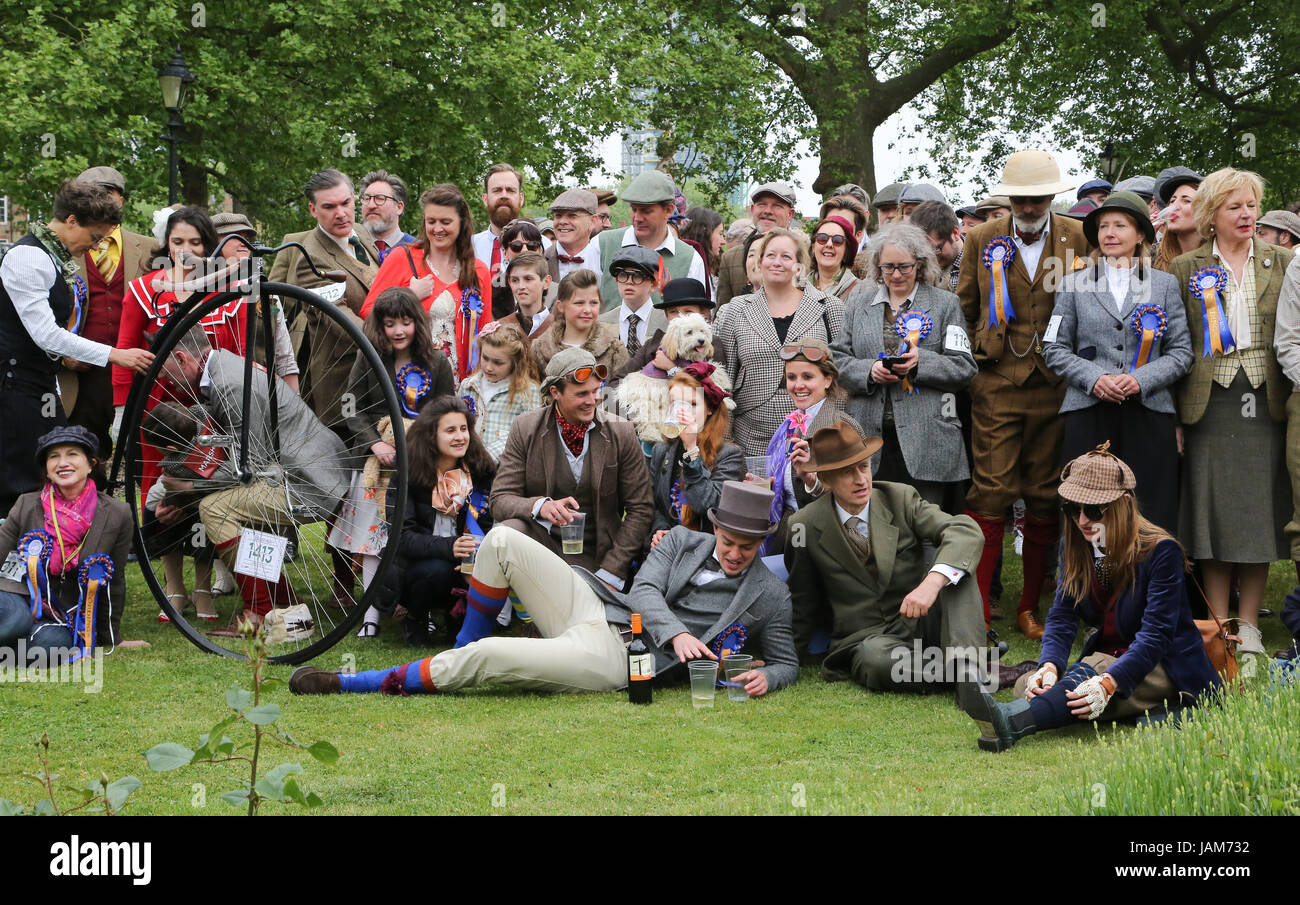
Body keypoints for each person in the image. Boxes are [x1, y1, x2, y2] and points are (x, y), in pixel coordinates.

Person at [290, 480, 798, 697]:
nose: (733, 553)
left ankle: (349, 683)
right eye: (729, 541)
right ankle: (461, 649)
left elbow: (787, 662)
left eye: (746, 548)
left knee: (491, 655)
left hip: (616, 660)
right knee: (504, 538)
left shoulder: (769, 595)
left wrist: (767, 679)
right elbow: (643, 592)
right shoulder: (684, 540)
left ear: (761, 543)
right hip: (601, 606)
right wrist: (677, 634)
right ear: (716, 527)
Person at [963, 445, 1223, 751]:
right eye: (1073, 509)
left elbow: (1156, 636)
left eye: (1094, 510)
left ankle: (1010, 723)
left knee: (1088, 677)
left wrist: (1109, 682)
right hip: (1110, 659)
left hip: (1165, 665)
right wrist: (1048, 667)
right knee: (1028, 685)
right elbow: (1061, 617)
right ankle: (1065, 702)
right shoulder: (1073, 545)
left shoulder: (1161, 551)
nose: (1082, 519)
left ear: (1124, 503)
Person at [956, 148, 1086, 639]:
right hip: (995, 382)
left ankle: (1031, 608)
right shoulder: (980, 238)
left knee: (1045, 496)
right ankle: (979, 613)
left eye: (1037, 198)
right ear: (1008, 198)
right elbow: (963, 307)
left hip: (1057, 384)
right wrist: (976, 362)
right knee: (989, 494)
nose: (1028, 206)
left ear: (1053, 196)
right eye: (1020, 198)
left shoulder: (1078, 237)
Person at [1171, 167, 1293, 658]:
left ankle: (1250, 627)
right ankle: (1218, 624)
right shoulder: (1185, 268)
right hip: (1209, 405)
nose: (1246, 215)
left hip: (1266, 403)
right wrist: (1177, 417)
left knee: (1256, 513)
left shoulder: (1283, 261)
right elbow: (1177, 346)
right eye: (1234, 207)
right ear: (1211, 215)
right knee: (1212, 514)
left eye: (1251, 205)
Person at [157, 326, 350, 631]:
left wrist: (189, 487)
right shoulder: (225, 367)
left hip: (307, 480)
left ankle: (260, 612)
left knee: (216, 508)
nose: (164, 380)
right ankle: (282, 600)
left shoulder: (229, 385)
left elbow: (249, 467)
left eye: (165, 371)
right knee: (234, 506)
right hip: (304, 469)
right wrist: (178, 497)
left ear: (182, 358)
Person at [785, 420, 988, 696]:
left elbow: (964, 531)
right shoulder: (803, 525)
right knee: (875, 661)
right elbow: (802, 602)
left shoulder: (900, 498)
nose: (861, 479)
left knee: (956, 572)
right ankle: (968, 675)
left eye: (864, 467)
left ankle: (970, 676)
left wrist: (931, 583)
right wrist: (780, 661)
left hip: (923, 620)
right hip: (870, 641)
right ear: (825, 480)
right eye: (847, 472)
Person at [0, 180, 153, 513]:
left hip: (38, 386)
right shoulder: (27, 257)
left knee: (56, 474)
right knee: (21, 485)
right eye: (95, 236)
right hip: (13, 390)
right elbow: (46, 334)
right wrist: (115, 355)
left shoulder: (53, 258)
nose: (97, 246)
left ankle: (52, 558)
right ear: (71, 220)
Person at [1043, 191, 1192, 532]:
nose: (1109, 233)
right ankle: (1090, 583)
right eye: (1103, 226)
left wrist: (1143, 379)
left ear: (1140, 234)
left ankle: (1149, 583)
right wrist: (1093, 378)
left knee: (1149, 507)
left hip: (1149, 411)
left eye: (1120, 226)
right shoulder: (1073, 283)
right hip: (1088, 410)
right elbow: (1053, 348)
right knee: (1088, 507)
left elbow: (1182, 352)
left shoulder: (1166, 285)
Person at [834, 223, 976, 509]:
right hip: (869, 439)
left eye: (904, 267)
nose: (896, 275)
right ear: (877, 266)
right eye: (888, 268)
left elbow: (964, 367)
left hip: (928, 441)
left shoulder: (946, 304)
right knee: (875, 528)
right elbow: (837, 359)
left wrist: (921, 362)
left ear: (920, 265)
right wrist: (869, 372)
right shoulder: (858, 303)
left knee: (927, 532)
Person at [489, 347, 653, 590]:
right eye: (581, 394)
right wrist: (540, 506)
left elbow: (641, 509)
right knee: (503, 533)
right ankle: (479, 625)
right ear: (555, 392)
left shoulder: (621, 432)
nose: (593, 400)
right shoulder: (526, 428)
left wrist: (612, 572)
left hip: (599, 553)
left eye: (596, 391)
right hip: (540, 546)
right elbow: (500, 499)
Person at [339, 286, 454, 628]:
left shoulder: (438, 362)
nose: (399, 331)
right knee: (372, 540)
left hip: (424, 466)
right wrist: (376, 443)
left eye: (406, 322)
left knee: (424, 537)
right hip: (380, 466)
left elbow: (447, 412)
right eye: (390, 324)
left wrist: (424, 448)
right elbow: (351, 405)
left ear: (418, 323)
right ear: (381, 326)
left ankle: (426, 611)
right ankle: (369, 617)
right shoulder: (369, 356)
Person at [0, 426, 133, 659]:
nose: (63, 463)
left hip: (63, 611)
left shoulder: (118, 513)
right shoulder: (26, 503)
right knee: (15, 622)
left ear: (91, 463)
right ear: (47, 470)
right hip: (17, 593)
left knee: (51, 647)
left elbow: (115, 579)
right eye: (54, 457)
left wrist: (112, 638)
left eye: (72, 454)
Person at [714, 227, 845, 456]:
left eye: (786, 256)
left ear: (798, 265)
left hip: (815, 438)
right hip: (750, 440)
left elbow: (843, 373)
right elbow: (723, 378)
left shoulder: (828, 307)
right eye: (770, 255)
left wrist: (834, 425)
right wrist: (725, 442)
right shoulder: (735, 310)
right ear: (759, 262)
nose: (777, 262)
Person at [267, 169, 380, 429]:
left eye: (345, 203)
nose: (340, 213)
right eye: (329, 207)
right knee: (352, 468)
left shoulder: (361, 232)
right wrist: (395, 343)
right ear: (312, 209)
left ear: (354, 199)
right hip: (345, 386)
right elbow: (340, 319)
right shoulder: (310, 258)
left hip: (380, 376)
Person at [384, 397, 496, 648]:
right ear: (430, 435)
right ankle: (415, 618)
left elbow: (487, 523)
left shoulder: (481, 471)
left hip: (465, 562)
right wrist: (450, 548)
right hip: (416, 567)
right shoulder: (409, 474)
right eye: (450, 430)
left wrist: (473, 556)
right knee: (436, 570)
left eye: (464, 428)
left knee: (468, 569)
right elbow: (401, 538)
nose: (460, 437)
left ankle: (457, 616)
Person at [62, 166, 153, 460]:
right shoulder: (61, 249)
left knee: (140, 454)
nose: (99, 199)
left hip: (137, 370)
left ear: (121, 200)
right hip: (82, 373)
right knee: (84, 451)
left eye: (107, 193)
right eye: (91, 194)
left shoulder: (151, 248)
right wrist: (64, 353)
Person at [360, 184, 492, 381]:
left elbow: (485, 331)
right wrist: (409, 297)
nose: (437, 229)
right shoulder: (402, 257)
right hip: (412, 379)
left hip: (461, 382)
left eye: (446, 222)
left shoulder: (478, 270)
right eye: (431, 221)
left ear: (462, 222)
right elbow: (368, 311)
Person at [646, 363, 743, 552]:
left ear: (709, 409)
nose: (683, 411)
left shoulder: (730, 456)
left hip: (705, 552)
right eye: (676, 404)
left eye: (692, 404)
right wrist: (659, 531)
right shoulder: (661, 451)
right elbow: (653, 506)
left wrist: (691, 449)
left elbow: (708, 506)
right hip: (665, 550)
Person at [597, 171, 706, 310]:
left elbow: (694, 317)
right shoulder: (602, 244)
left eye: (646, 211)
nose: (637, 218)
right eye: (634, 209)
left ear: (668, 210)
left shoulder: (690, 258)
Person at [457, 320, 540, 461]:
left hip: (504, 469)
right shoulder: (468, 385)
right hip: (466, 465)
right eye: (485, 358)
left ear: (515, 363)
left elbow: (529, 437)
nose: (489, 367)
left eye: (498, 362)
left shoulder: (528, 392)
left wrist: (485, 459)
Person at [613, 276, 716, 380]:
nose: (680, 317)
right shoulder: (653, 343)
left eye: (688, 311)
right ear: (666, 315)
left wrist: (671, 368)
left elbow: (716, 391)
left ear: (703, 313)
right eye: (673, 312)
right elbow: (616, 380)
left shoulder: (711, 343)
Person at [530, 270, 628, 376]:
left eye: (594, 303)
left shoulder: (615, 351)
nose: (587, 310)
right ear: (561, 306)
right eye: (579, 303)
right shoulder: (539, 350)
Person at [715, 183, 796, 306]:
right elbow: (722, 316)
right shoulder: (731, 258)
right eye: (762, 204)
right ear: (753, 210)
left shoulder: (806, 254)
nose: (768, 211)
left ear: (790, 214)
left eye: (777, 206)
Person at [598, 246, 668, 359]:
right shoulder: (601, 323)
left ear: (654, 284)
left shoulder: (668, 322)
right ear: (617, 280)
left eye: (638, 276)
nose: (629, 282)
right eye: (623, 275)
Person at [472, 163, 529, 277]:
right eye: (497, 190)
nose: (504, 195)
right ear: (485, 199)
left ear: (521, 199)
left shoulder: (541, 245)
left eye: (510, 190)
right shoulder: (468, 247)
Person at [487, 219, 546, 322]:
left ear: (540, 251)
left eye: (532, 246)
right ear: (504, 252)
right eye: (516, 246)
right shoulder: (492, 292)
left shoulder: (557, 291)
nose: (524, 251)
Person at [545, 189, 601, 284]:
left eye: (572, 216)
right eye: (558, 215)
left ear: (593, 221)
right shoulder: (540, 260)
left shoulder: (603, 261)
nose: (562, 221)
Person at [358, 170, 417, 261]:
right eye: (366, 198)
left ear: (399, 207)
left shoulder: (418, 250)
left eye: (380, 198)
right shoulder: (351, 247)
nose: (371, 205)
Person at [1152, 172, 1203, 272]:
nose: (1174, 207)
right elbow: (1138, 286)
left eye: (1187, 201)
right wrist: (1143, 243)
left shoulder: (1218, 256)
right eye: (1172, 201)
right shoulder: (1154, 255)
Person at [908, 201, 964, 291]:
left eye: (935, 249)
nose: (930, 259)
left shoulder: (980, 262)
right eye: (923, 252)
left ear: (955, 233)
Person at [500, 251, 554, 338]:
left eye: (528, 279)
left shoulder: (561, 327)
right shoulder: (500, 328)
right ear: (509, 283)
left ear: (546, 282)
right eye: (515, 280)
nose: (521, 286)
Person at [809, 215, 860, 300]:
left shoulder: (861, 291)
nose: (829, 244)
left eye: (838, 240)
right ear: (813, 247)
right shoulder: (797, 287)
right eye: (822, 238)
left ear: (846, 250)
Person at [678, 206, 724, 299]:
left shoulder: (707, 267)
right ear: (705, 232)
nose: (723, 241)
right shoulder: (690, 266)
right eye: (720, 234)